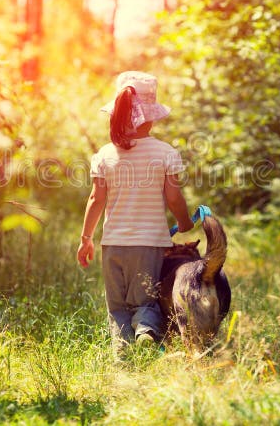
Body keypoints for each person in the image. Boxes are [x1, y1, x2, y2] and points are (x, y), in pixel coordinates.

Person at [77, 71, 194, 353]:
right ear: (151, 116)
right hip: (149, 244)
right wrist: (185, 222)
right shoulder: (165, 152)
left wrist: (86, 239)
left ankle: (122, 356)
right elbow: (173, 196)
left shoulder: (105, 154)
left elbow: (96, 198)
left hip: (113, 244)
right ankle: (145, 332)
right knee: (144, 301)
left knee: (117, 306)